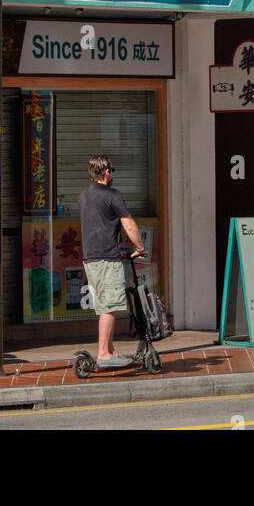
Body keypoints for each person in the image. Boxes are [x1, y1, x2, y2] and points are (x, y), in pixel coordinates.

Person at [79, 153, 146, 368]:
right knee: (109, 306)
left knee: (105, 304)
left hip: (90, 258)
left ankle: (110, 350)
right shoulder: (112, 195)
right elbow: (129, 225)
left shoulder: (84, 195)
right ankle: (103, 355)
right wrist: (140, 247)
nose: (112, 174)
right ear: (107, 171)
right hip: (107, 257)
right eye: (112, 170)